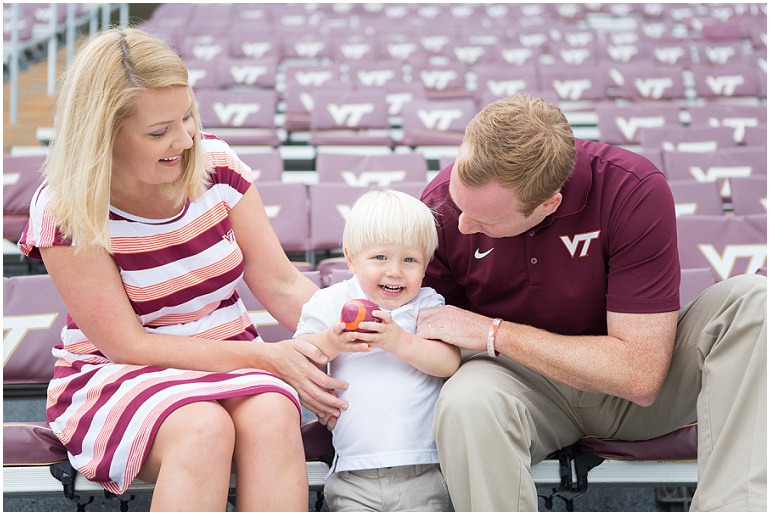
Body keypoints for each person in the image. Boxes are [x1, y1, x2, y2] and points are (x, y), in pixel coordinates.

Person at [17, 27, 348, 512]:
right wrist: (272, 359)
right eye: (159, 131)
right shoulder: (66, 208)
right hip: (122, 369)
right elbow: (127, 344)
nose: (185, 138)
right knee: (202, 428)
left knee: (274, 415)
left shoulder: (215, 163)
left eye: (187, 117)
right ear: (102, 134)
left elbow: (280, 283)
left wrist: (359, 330)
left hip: (230, 349)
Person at [417, 93, 767, 512]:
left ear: (548, 205)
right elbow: (409, 328)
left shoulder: (631, 188)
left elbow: (639, 376)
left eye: (484, 222)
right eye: (459, 201)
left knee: (753, 302)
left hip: (634, 394)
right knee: (465, 400)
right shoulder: (439, 204)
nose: (461, 223)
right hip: (520, 389)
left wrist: (494, 333)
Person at [294, 188, 460, 511]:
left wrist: (400, 341)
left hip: (422, 470)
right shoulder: (329, 302)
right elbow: (297, 354)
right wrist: (330, 342)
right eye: (380, 257)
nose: (395, 271)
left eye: (410, 259)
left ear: (425, 267)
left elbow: (449, 361)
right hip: (352, 473)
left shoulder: (427, 304)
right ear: (351, 257)